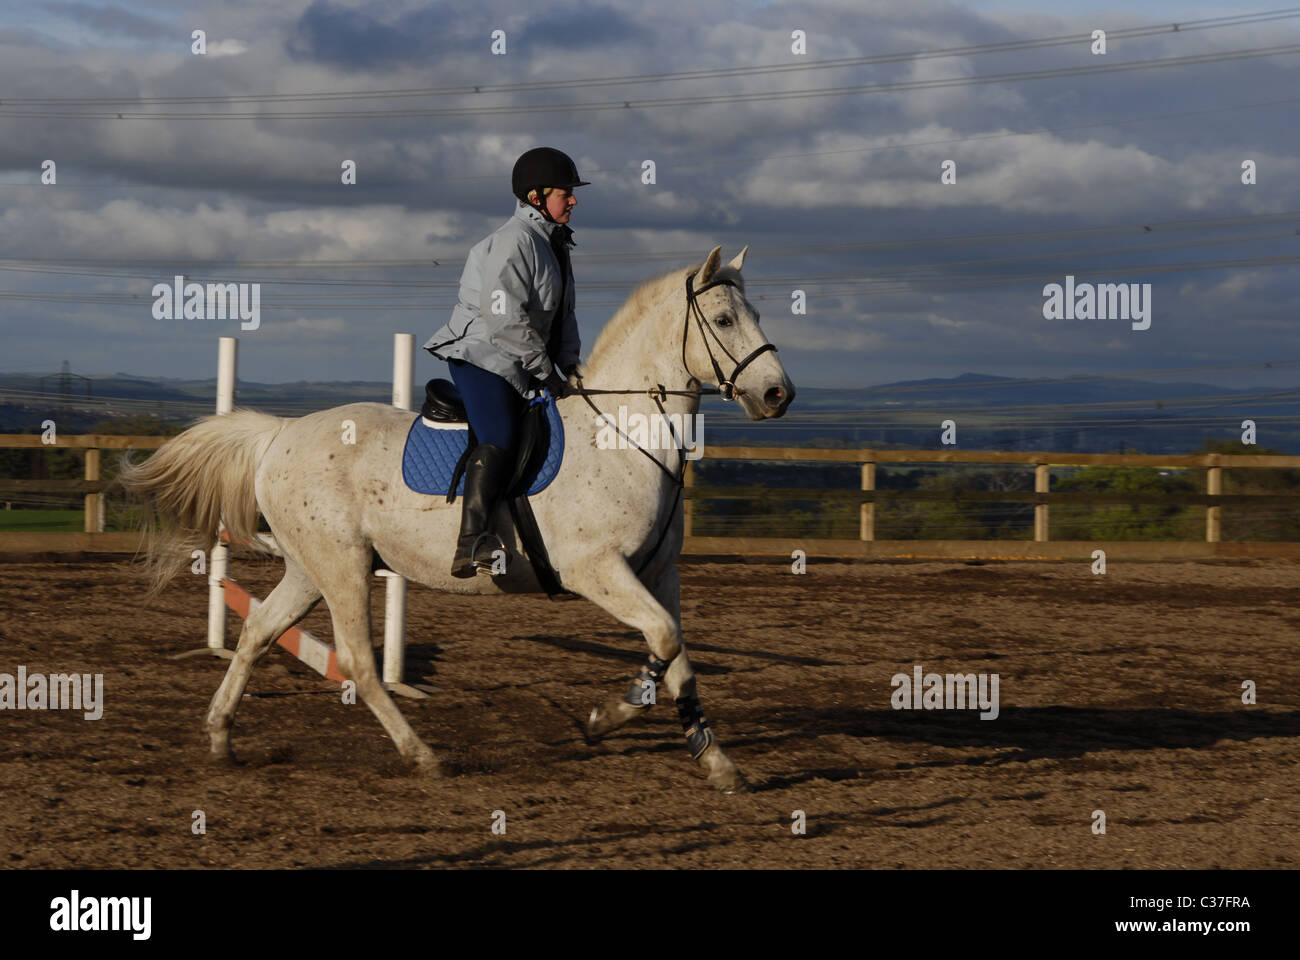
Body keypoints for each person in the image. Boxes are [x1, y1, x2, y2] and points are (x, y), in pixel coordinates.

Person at [423, 147, 588, 578]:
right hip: (483, 356)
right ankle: (470, 541)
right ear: (536, 197)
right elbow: (504, 320)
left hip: (521, 362)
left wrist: (570, 368)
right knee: (499, 434)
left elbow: (563, 319)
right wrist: (545, 372)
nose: (572, 201)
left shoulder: (555, 246)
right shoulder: (515, 242)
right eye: (565, 193)